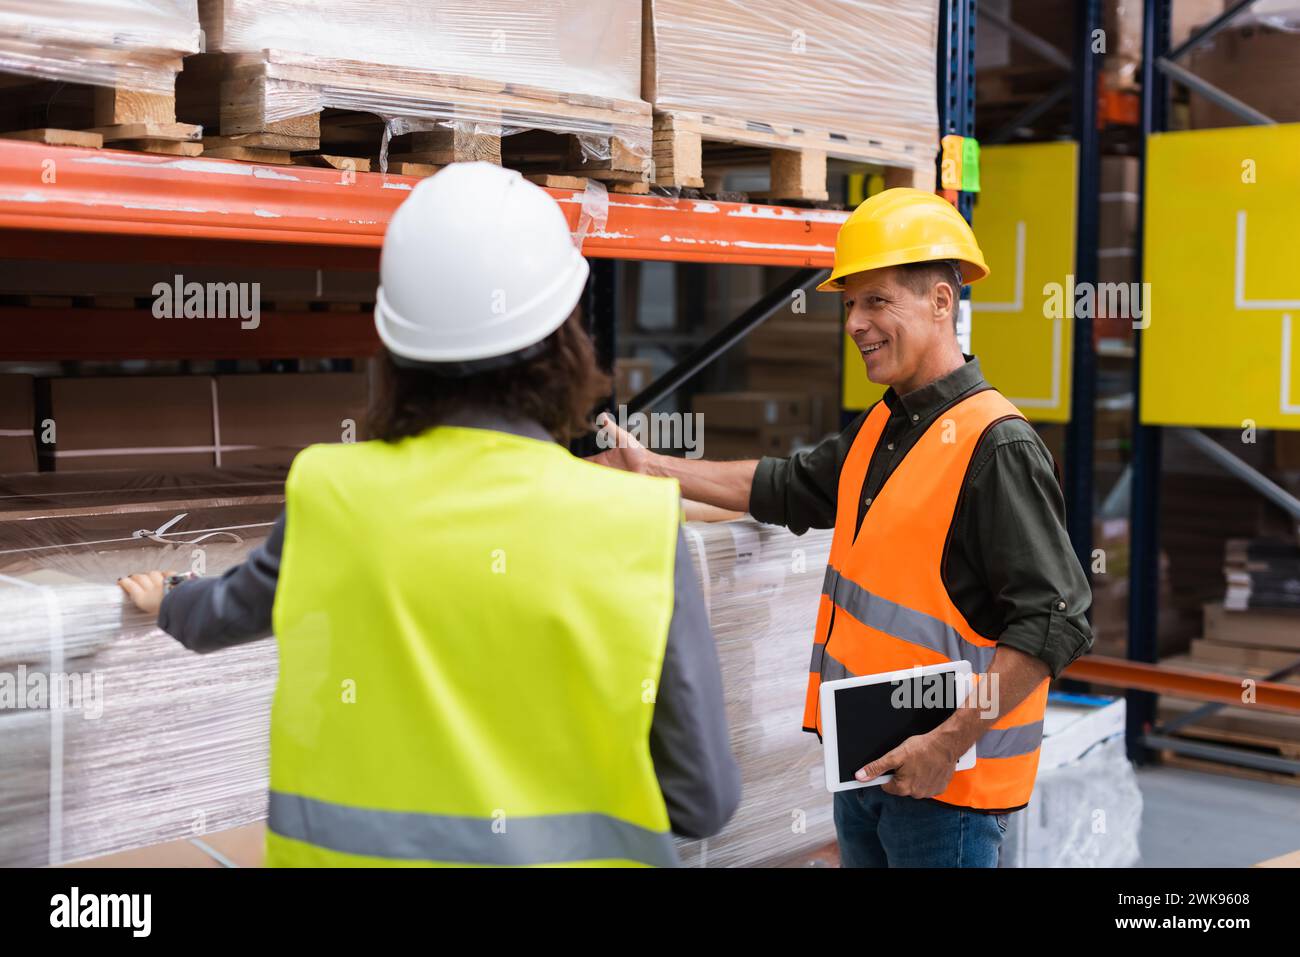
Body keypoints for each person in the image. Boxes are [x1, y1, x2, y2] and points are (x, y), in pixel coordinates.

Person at [120, 162, 740, 868]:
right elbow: (702, 801)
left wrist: (170, 598)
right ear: (565, 342)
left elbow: (221, 614)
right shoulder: (636, 524)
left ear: (398, 351)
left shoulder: (333, 491)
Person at [593, 188, 1093, 868]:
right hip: (865, 768)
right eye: (849, 302)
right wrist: (653, 467)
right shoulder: (885, 425)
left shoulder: (994, 446)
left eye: (877, 300)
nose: (855, 322)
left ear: (941, 303)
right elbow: (783, 485)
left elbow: (1055, 620)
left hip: (943, 788)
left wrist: (945, 742)